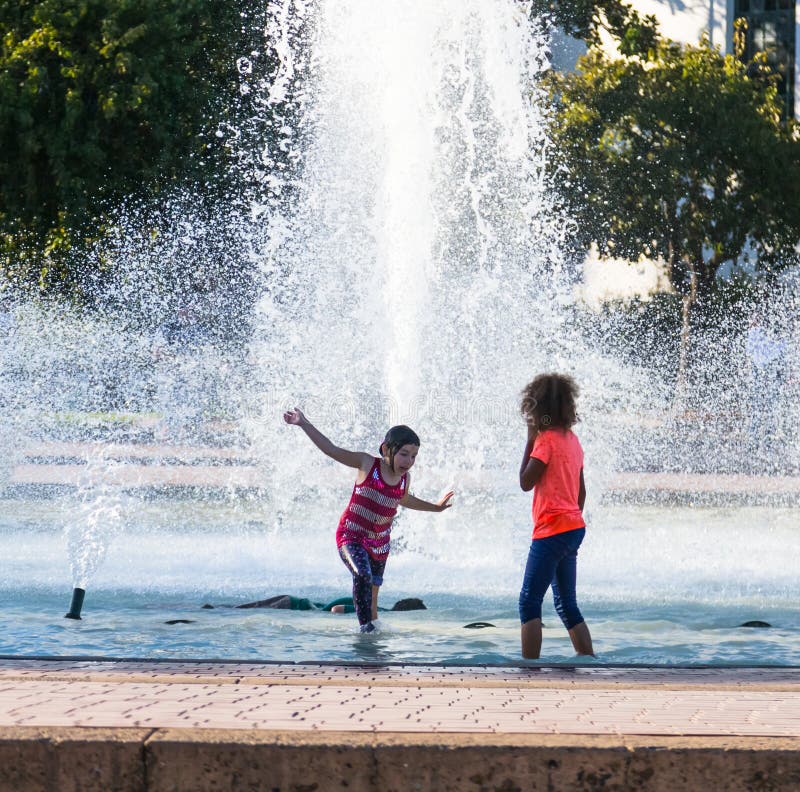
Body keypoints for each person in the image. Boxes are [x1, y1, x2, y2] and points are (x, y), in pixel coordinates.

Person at [283, 408, 453, 633]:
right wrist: (304, 424)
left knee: (373, 594)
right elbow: (331, 450)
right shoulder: (367, 463)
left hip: (380, 544)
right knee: (362, 575)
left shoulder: (405, 478)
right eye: (404, 454)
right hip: (351, 535)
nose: (409, 461)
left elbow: (404, 499)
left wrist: (436, 508)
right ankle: (365, 629)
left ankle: (373, 634)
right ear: (387, 449)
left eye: (413, 456)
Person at [517, 373, 594, 660]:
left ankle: (529, 668)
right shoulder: (572, 440)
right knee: (566, 604)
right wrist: (570, 520)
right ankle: (588, 660)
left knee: (529, 602)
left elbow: (525, 482)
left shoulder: (545, 441)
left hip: (552, 530)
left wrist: (529, 440)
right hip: (573, 528)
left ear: (538, 409)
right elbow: (581, 492)